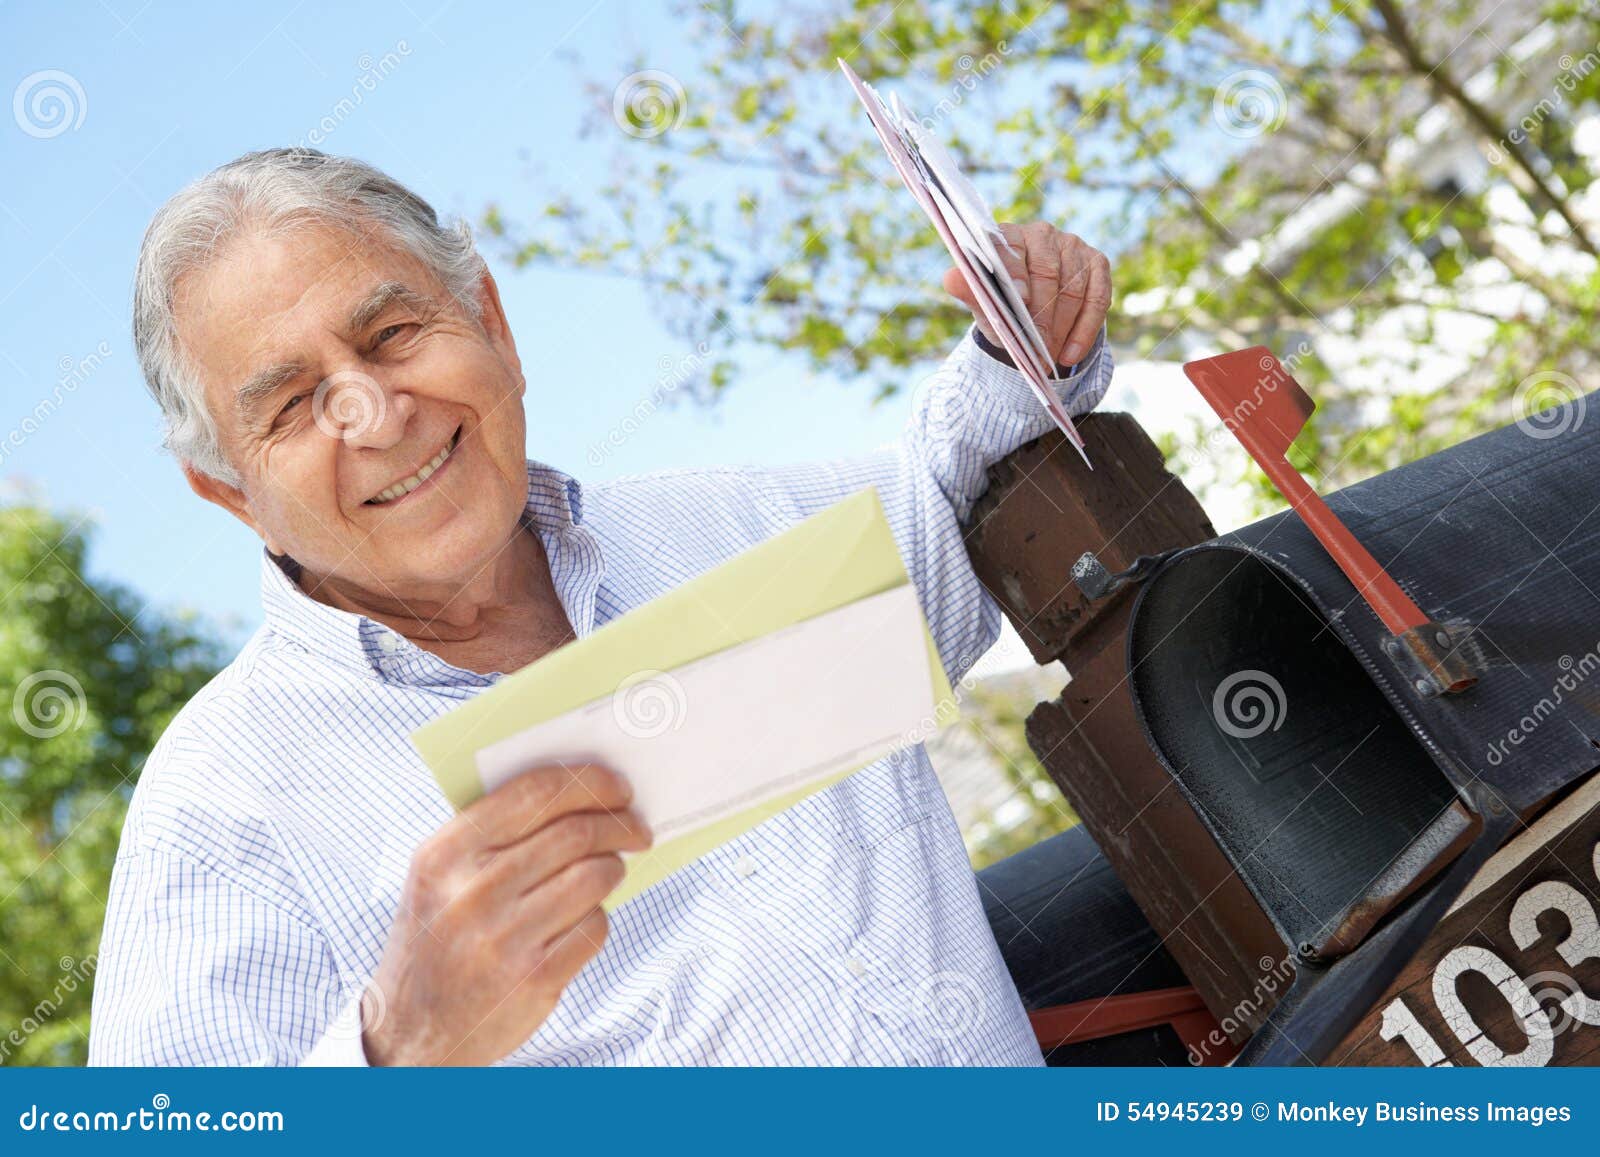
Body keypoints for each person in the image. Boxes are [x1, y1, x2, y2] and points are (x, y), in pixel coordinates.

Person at [88, 147, 1114, 1066]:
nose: (375, 411)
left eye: (394, 333)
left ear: (490, 321)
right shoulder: (219, 810)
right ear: (229, 492)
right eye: (293, 404)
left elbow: (957, 475)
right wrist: (399, 1053)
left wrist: (1032, 326)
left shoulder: (738, 532)